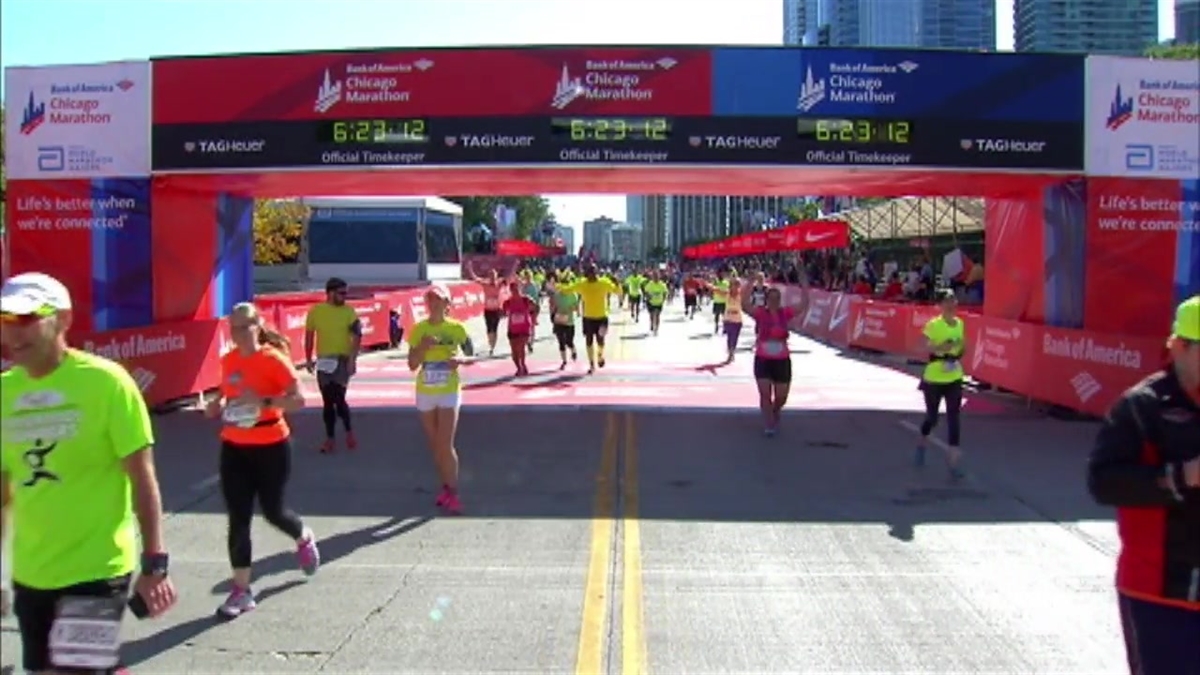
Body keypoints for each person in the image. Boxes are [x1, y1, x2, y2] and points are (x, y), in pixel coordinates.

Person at [0, 272, 177, 674]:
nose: (13, 333)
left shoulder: (107, 384)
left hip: (97, 572)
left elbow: (143, 479)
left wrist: (155, 564)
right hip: (33, 575)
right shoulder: (4, 393)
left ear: (61, 319)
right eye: (5, 321)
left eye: (27, 318)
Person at [1088, 295, 1200, 675]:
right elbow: (1103, 483)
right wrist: (1181, 477)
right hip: (1158, 593)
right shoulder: (1141, 406)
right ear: (1181, 346)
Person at [206, 303, 321, 619]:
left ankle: (302, 536)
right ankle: (242, 591)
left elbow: (298, 400)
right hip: (234, 445)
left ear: (258, 326)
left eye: (246, 327)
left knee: (273, 511)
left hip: (271, 444)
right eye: (235, 328)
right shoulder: (228, 360)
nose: (240, 334)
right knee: (238, 518)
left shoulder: (273, 360)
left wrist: (266, 401)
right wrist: (216, 404)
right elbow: (227, 394)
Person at [407, 284, 475, 515]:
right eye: (431, 300)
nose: (434, 304)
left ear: (448, 304)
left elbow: (471, 355)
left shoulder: (457, 328)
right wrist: (422, 349)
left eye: (439, 300)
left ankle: (453, 493)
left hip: (448, 389)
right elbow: (412, 364)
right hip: (425, 390)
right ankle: (445, 487)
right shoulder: (419, 329)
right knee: (436, 445)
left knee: (445, 444)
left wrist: (461, 360)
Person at [914, 289, 966, 480]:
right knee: (933, 418)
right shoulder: (933, 325)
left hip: (953, 375)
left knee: (954, 416)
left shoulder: (960, 324)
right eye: (947, 302)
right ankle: (921, 443)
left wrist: (959, 353)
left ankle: (953, 463)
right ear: (941, 306)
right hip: (934, 377)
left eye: (953, 301)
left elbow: (962, 345)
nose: (951, 305)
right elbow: (920, 345)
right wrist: (939, 347)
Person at [304, 277, 360, 453]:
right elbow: (309, 335)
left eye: (346, 293)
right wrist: (308, 358)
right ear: (329, 293)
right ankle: (330, 439)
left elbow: (357, 336)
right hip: (323, 360)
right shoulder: (316, 311)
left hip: (342, 359)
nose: (344, 297)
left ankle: (348, 431)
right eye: (341, 293)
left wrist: (352, 359)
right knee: (327, 400)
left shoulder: (349, 312)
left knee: (338, 397)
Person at [742, 283, 795, 436]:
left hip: (782, 360)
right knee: (765, 394)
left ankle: (776, 409)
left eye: (776, 298)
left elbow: (804, 304)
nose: (774, 301)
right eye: (771, 298)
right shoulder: (760, 313)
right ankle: (769, 422)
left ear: (780, 300)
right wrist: (751, 281)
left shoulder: (785, 313)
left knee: (781, 397)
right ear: (766, 300)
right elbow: (744, 304)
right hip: (763, 359)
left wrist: (803, 278)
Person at [557, 265, 621, 374]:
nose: (592, 275)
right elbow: (568, 290)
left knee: (600, 340)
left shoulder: (604, 283)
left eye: (594, 272)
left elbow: (617, 291)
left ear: (597, 273)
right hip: (588, 318)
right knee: (589, 340)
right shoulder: (582, 284)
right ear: (587, 274)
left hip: (602, 317)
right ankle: (591, 364)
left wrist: (617, 282)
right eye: (590, 273)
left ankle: (600, 356)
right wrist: (556, 285)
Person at [468, 264, 507, 357]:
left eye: (494, 275)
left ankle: (493, 346)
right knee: (489, 329)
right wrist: (470, 268)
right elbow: (475, 278)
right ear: (489, 276)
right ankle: (491, 344)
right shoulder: (485, 283)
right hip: (488, 310)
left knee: (495, 328)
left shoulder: (499, 283)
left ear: (496, 276)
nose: (493, 277)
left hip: (497, 309)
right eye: (491, 275)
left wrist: (515, 266)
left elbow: (509, 278)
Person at [502, 280, 538, 376]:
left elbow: (535, 307)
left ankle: (522, 365)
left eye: (517, 289)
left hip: (524, 328)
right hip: (512, 329)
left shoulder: (526, 300)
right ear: (510, 291)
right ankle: (519, 366)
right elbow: (503, 311)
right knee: (514, 353)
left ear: (520, 289)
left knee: (521, 348)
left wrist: (534, 319)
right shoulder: (508, 302)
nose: (515, 291)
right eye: (513, 290)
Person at [548, 273, 580, 369]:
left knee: (569, 341)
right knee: (561, 341)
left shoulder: (573, 294)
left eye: (566, 283)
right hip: (559, 320)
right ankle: (564, 361)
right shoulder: (557, 294)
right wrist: (552, 314)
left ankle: (573, 351)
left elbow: (576, 307)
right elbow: (553, 306)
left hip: (569, 321)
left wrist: (572, 309)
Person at [722, 277, 744, 363]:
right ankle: (730, 353)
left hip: (737, 320)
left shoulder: (741, 295)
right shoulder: (727, 293)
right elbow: (717, 290)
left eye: (738, 285)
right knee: (729, 337)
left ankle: (731, 354)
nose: (736, 287)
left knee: (734, 338)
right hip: (727, 319)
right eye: (734, 284)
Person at [643, 271, 669, 337]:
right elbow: (646, 292)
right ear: (652, 277)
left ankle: (656, 329)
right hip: (651, 302)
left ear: (659, 277)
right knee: (651, 315)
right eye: (654, 277)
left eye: (657, 277)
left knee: (657, 316)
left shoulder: (662, 284)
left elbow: (665, 292)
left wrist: (663, 299)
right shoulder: (650, 284)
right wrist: (648, 297)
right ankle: (652, 323)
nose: (656, 278)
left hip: (659, 303)